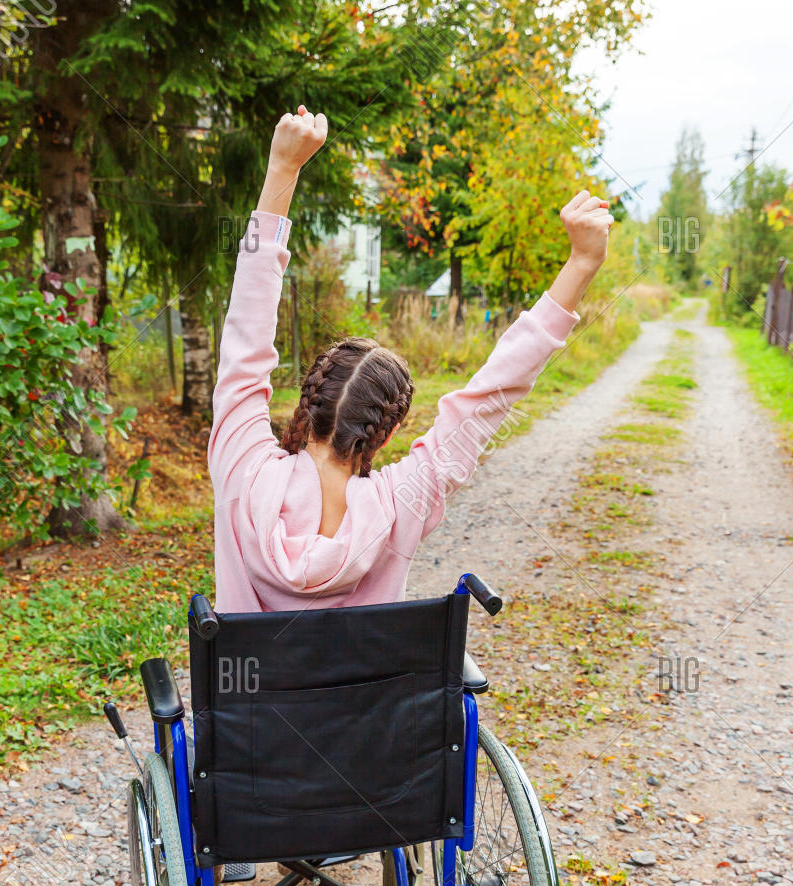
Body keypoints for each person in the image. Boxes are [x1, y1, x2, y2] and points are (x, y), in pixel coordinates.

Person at [208, 105, 614, 616]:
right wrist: (581, 263)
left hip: (243, 696)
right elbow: (490, 397)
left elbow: (245, 344)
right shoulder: (402, 502)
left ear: (308, 403)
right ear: (389, 430)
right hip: (363, 702)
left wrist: (283, 170)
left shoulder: (241, 469)